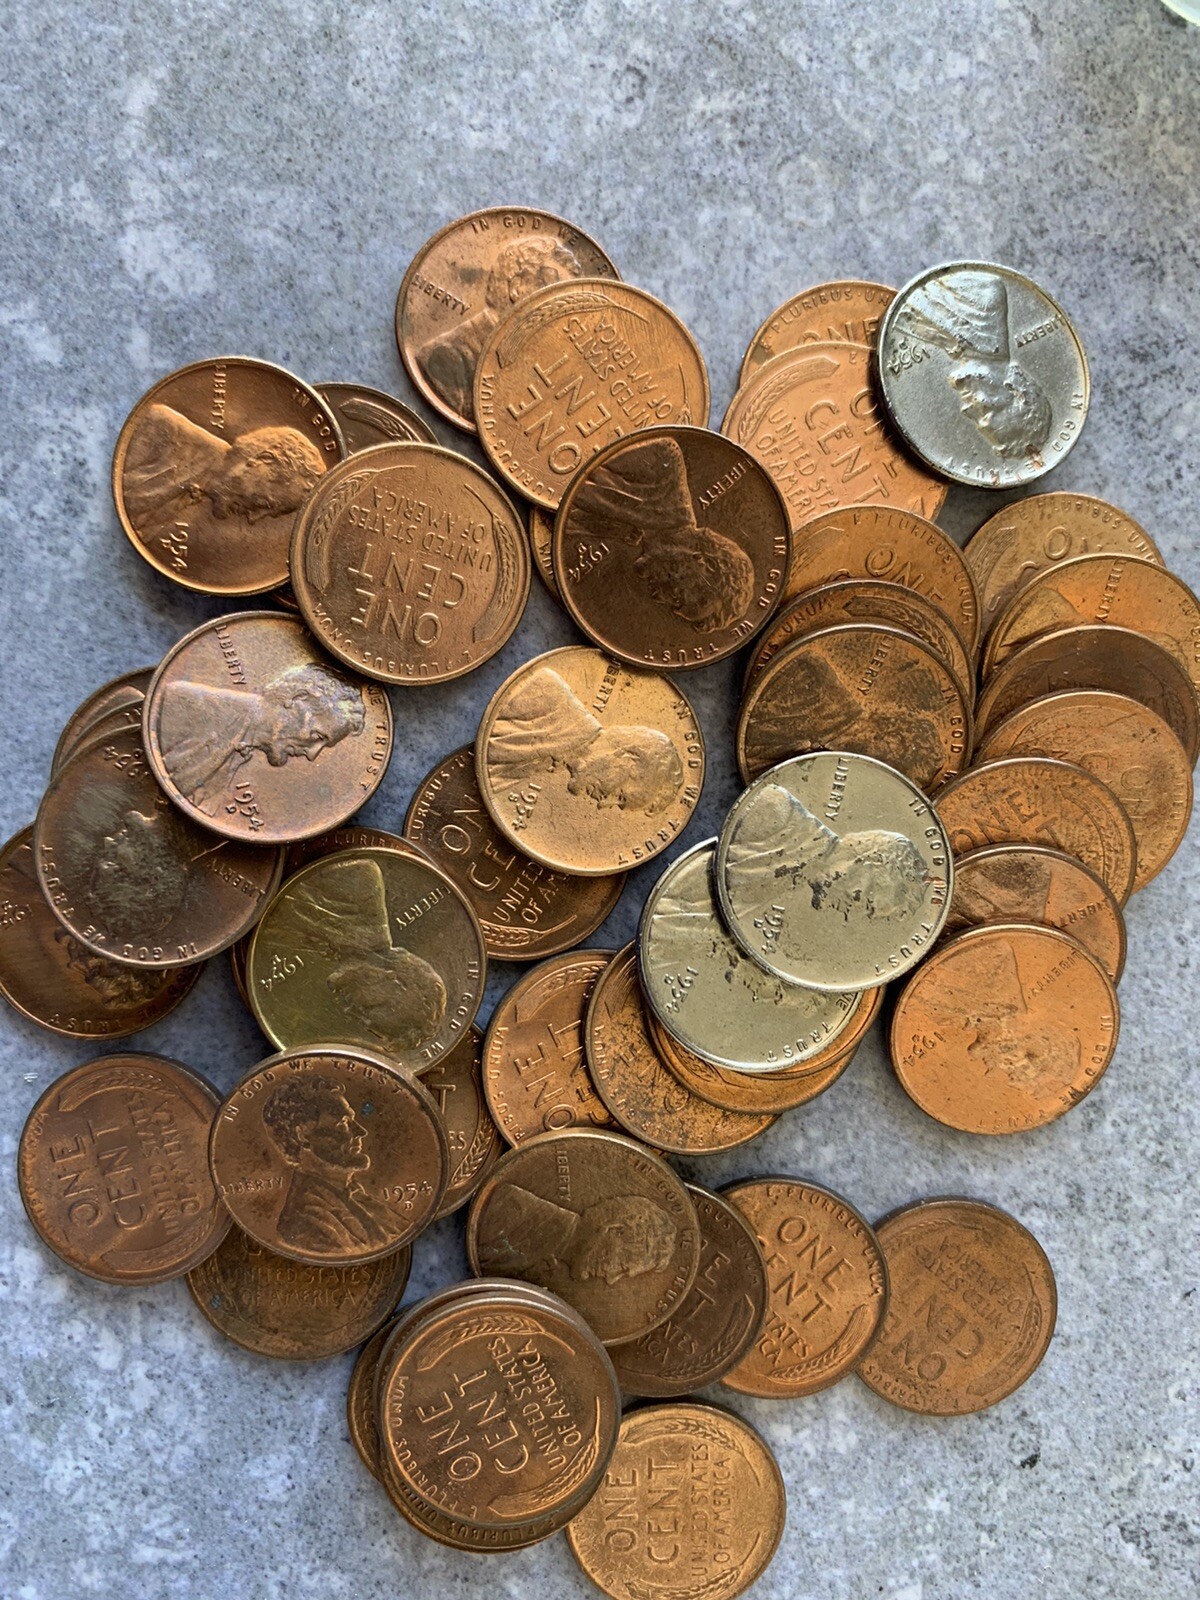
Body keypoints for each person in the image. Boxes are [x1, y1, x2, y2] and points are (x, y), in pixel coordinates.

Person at [563, 435, 757, 633]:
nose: (657, 597)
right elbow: (565, 478)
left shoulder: (619, 535)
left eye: (672, 605)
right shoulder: (664, 465)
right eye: (676, 596)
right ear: (705, 563)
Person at [266, 855, 447, 1055]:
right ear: (393, 980)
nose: (348, 1010)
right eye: (368, 1008)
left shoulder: (326, 953)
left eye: (360, 1018)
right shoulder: (361, 884)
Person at [724, 782, 932, 937]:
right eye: (865, 900)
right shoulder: (776, 810)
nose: (848, 916)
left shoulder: (787, 895)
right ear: (866, 862)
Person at [155, 661, 365, 815]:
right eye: (317, 736)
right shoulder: (182, 701)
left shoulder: (240, 755)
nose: (312, 754)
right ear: (297, 699)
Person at [894, 269, 1053, 462]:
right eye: (986, 414)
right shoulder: (987, 299)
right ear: (1017, 393)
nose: (967, 410)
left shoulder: (958, 348)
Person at [421, 235, 585, 417]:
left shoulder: (535, 359)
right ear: (517, 288)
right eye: (552, 296)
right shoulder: (446, 356)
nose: (563, 312)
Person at [487, 665, 683, 815]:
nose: (603, 804)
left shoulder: (545, 763)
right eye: (619, 795)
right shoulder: (548, 694)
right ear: (625, 758)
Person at [122, 405, 327, 537]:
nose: (253, 518)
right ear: (262, 460)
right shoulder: (161, 427)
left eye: (269, 513)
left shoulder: (186, 501)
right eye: (265, 504)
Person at [260, 1076, 395, 1255]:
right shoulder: (307, 1222)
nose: (361, 1132)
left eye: (352, 1121)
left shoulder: (357, 1197)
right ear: (302, 1135)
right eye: (343, 1123)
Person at [481, 1184, 679, 1286]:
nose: (611, 1279)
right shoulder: (511, 1207)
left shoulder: (546, 1266)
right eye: (621, 1266)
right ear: (614, 1231)